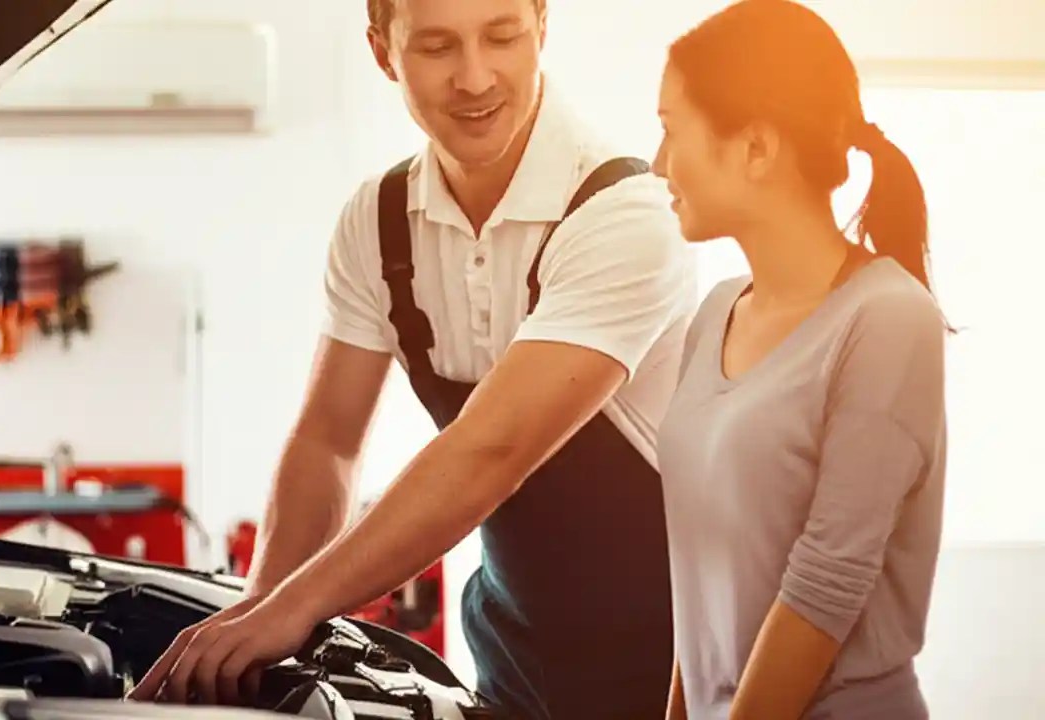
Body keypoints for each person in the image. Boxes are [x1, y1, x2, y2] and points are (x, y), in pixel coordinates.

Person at [127, 0, 697, 717]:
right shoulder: (378, 222)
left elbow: (491, 450)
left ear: (542, 28)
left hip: (668, 670)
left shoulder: (625, 216)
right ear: (382, 52)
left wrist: (293, 610)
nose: (475, 77)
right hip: (511, 667)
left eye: (502, 37)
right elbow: (328, 440)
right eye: (436, 47)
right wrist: (255, 618)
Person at [650, 1, 948, 718]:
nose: (658, 164)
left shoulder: (888, 318)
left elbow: (824, 587)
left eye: (671, 130)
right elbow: (698, 582)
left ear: (755, 148)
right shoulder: (716, 311)